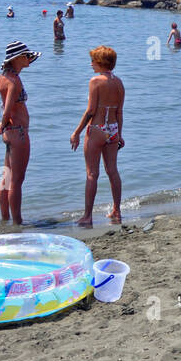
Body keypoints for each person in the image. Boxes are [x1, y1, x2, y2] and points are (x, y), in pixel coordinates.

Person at [71, 46, 125, 226]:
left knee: (92, 173)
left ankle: (88, 216)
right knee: (112, 171)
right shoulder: (119, 83)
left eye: (93, 60)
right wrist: (120, 135)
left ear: (101, 62)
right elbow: (119, 112)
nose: (91, 63)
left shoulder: (95, 81)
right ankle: (117, 210)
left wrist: (77, 132)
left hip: (97, 128)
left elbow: (90, 111)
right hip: (113, 129)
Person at [0, 41, 41, 225]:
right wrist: (4, 121)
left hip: (9, 131)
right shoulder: (14, 81)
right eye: (26, 56)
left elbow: (4, 106)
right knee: (17, 180)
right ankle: (17, 222)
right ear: (17, 59)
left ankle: (5, 219)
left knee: (5, 177)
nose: (29, 59)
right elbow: (8, 109)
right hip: (19, 133)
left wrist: (2, 125)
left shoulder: (3, 77)